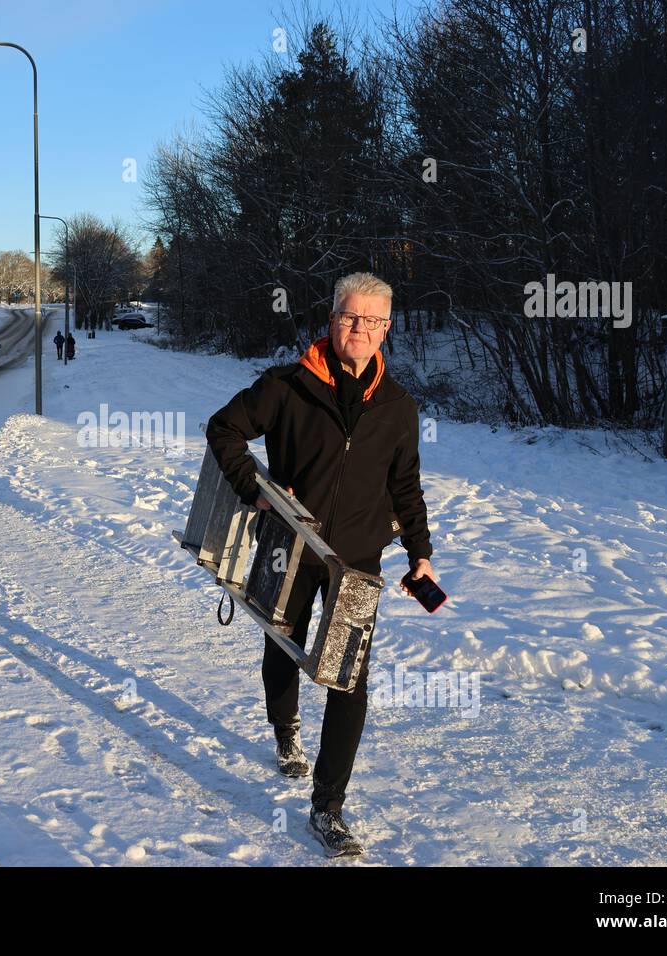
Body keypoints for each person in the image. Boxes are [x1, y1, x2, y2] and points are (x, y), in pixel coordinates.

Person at [205, 272, 436, 857]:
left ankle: (327, 807)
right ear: (331, 319)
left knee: (347, 679)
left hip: (355, 560)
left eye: (371, 321)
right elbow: (224, 429)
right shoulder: (287, 385)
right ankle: (285, 734)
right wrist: (253, 489)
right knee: (284, 644)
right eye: (348, 317)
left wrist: (421, 556)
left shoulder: (398, 406)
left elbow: (406, 485)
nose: (358, 329)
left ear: (386, 329)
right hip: (288, 544)